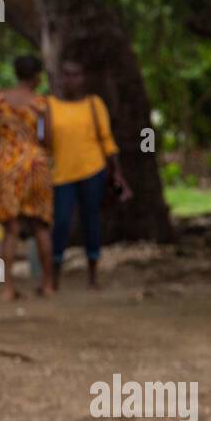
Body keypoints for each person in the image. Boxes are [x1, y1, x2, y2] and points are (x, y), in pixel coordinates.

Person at [47, 59, 132, 289]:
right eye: (66, 75)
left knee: (91, 221)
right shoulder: (49, 106)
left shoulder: (94, 105)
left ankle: (93, 276)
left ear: (83, 78)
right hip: (62, 175)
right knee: (61, 222)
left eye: (75, 75)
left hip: (92, 171)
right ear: (60, 78)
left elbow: (107, 141)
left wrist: (118, 174)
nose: (71, 80)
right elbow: (42, 139)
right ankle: (54, 276)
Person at [0, 54, 54, 300]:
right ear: (36, 76)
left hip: (6, 164)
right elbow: (46, 137)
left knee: (11, 229)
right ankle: (47, 285)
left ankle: (7, 288)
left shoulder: (0, 99)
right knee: (40, 226)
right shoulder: (41, 103)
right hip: (35, 164)